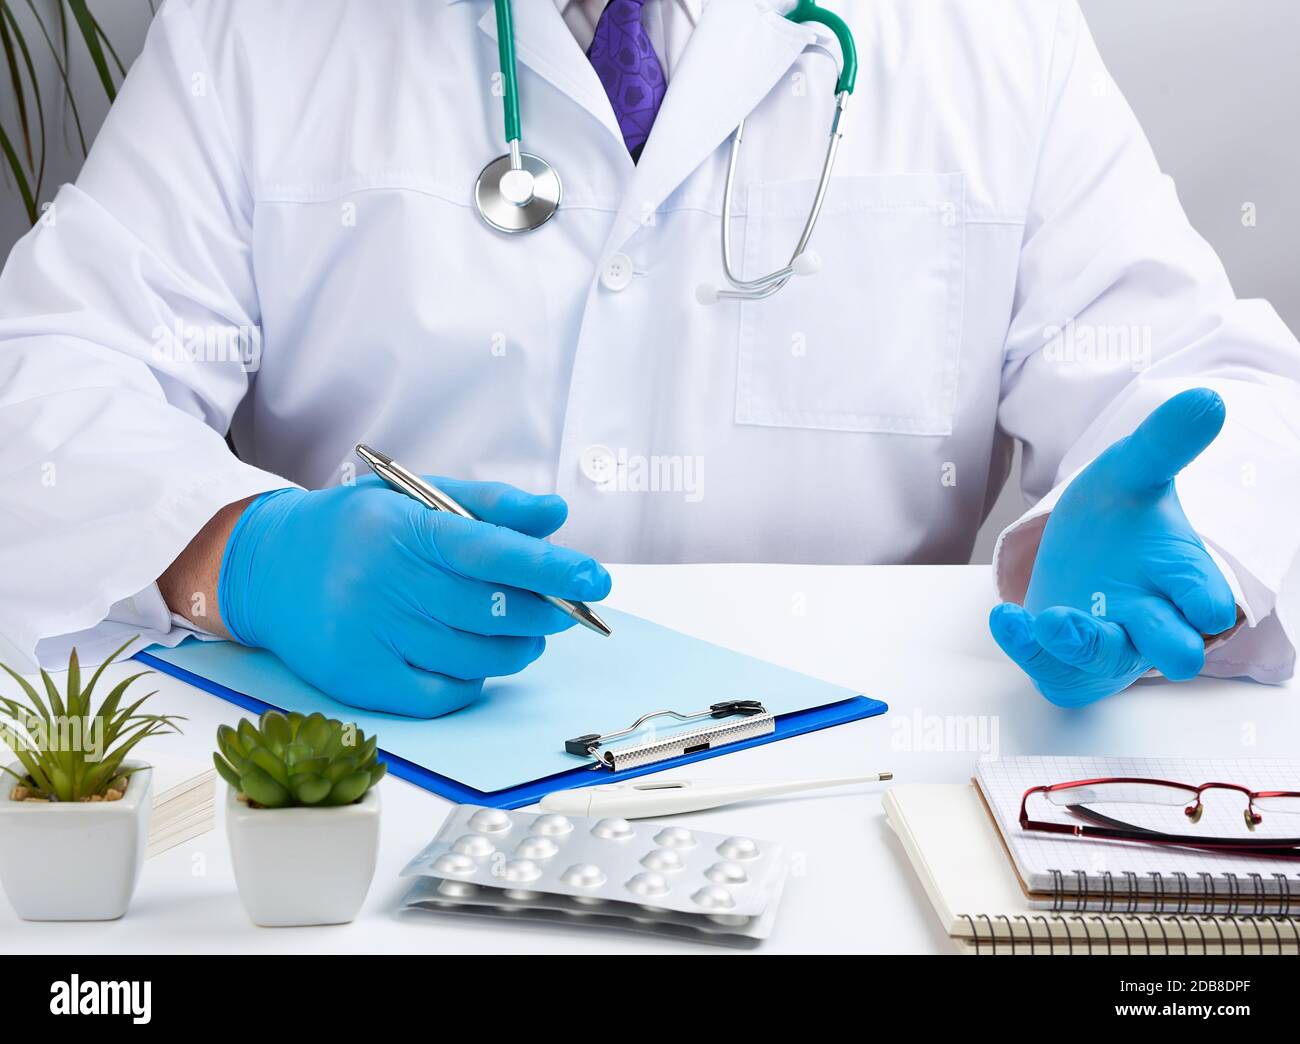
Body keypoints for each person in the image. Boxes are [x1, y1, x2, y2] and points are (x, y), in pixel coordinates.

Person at [0, 0, 1296, 716]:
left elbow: (1197, 378)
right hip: (364, 798)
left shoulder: (989, 34)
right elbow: (53, 377)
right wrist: (244, 553)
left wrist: (1174, 527)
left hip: (850, 800)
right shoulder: (261, 28)